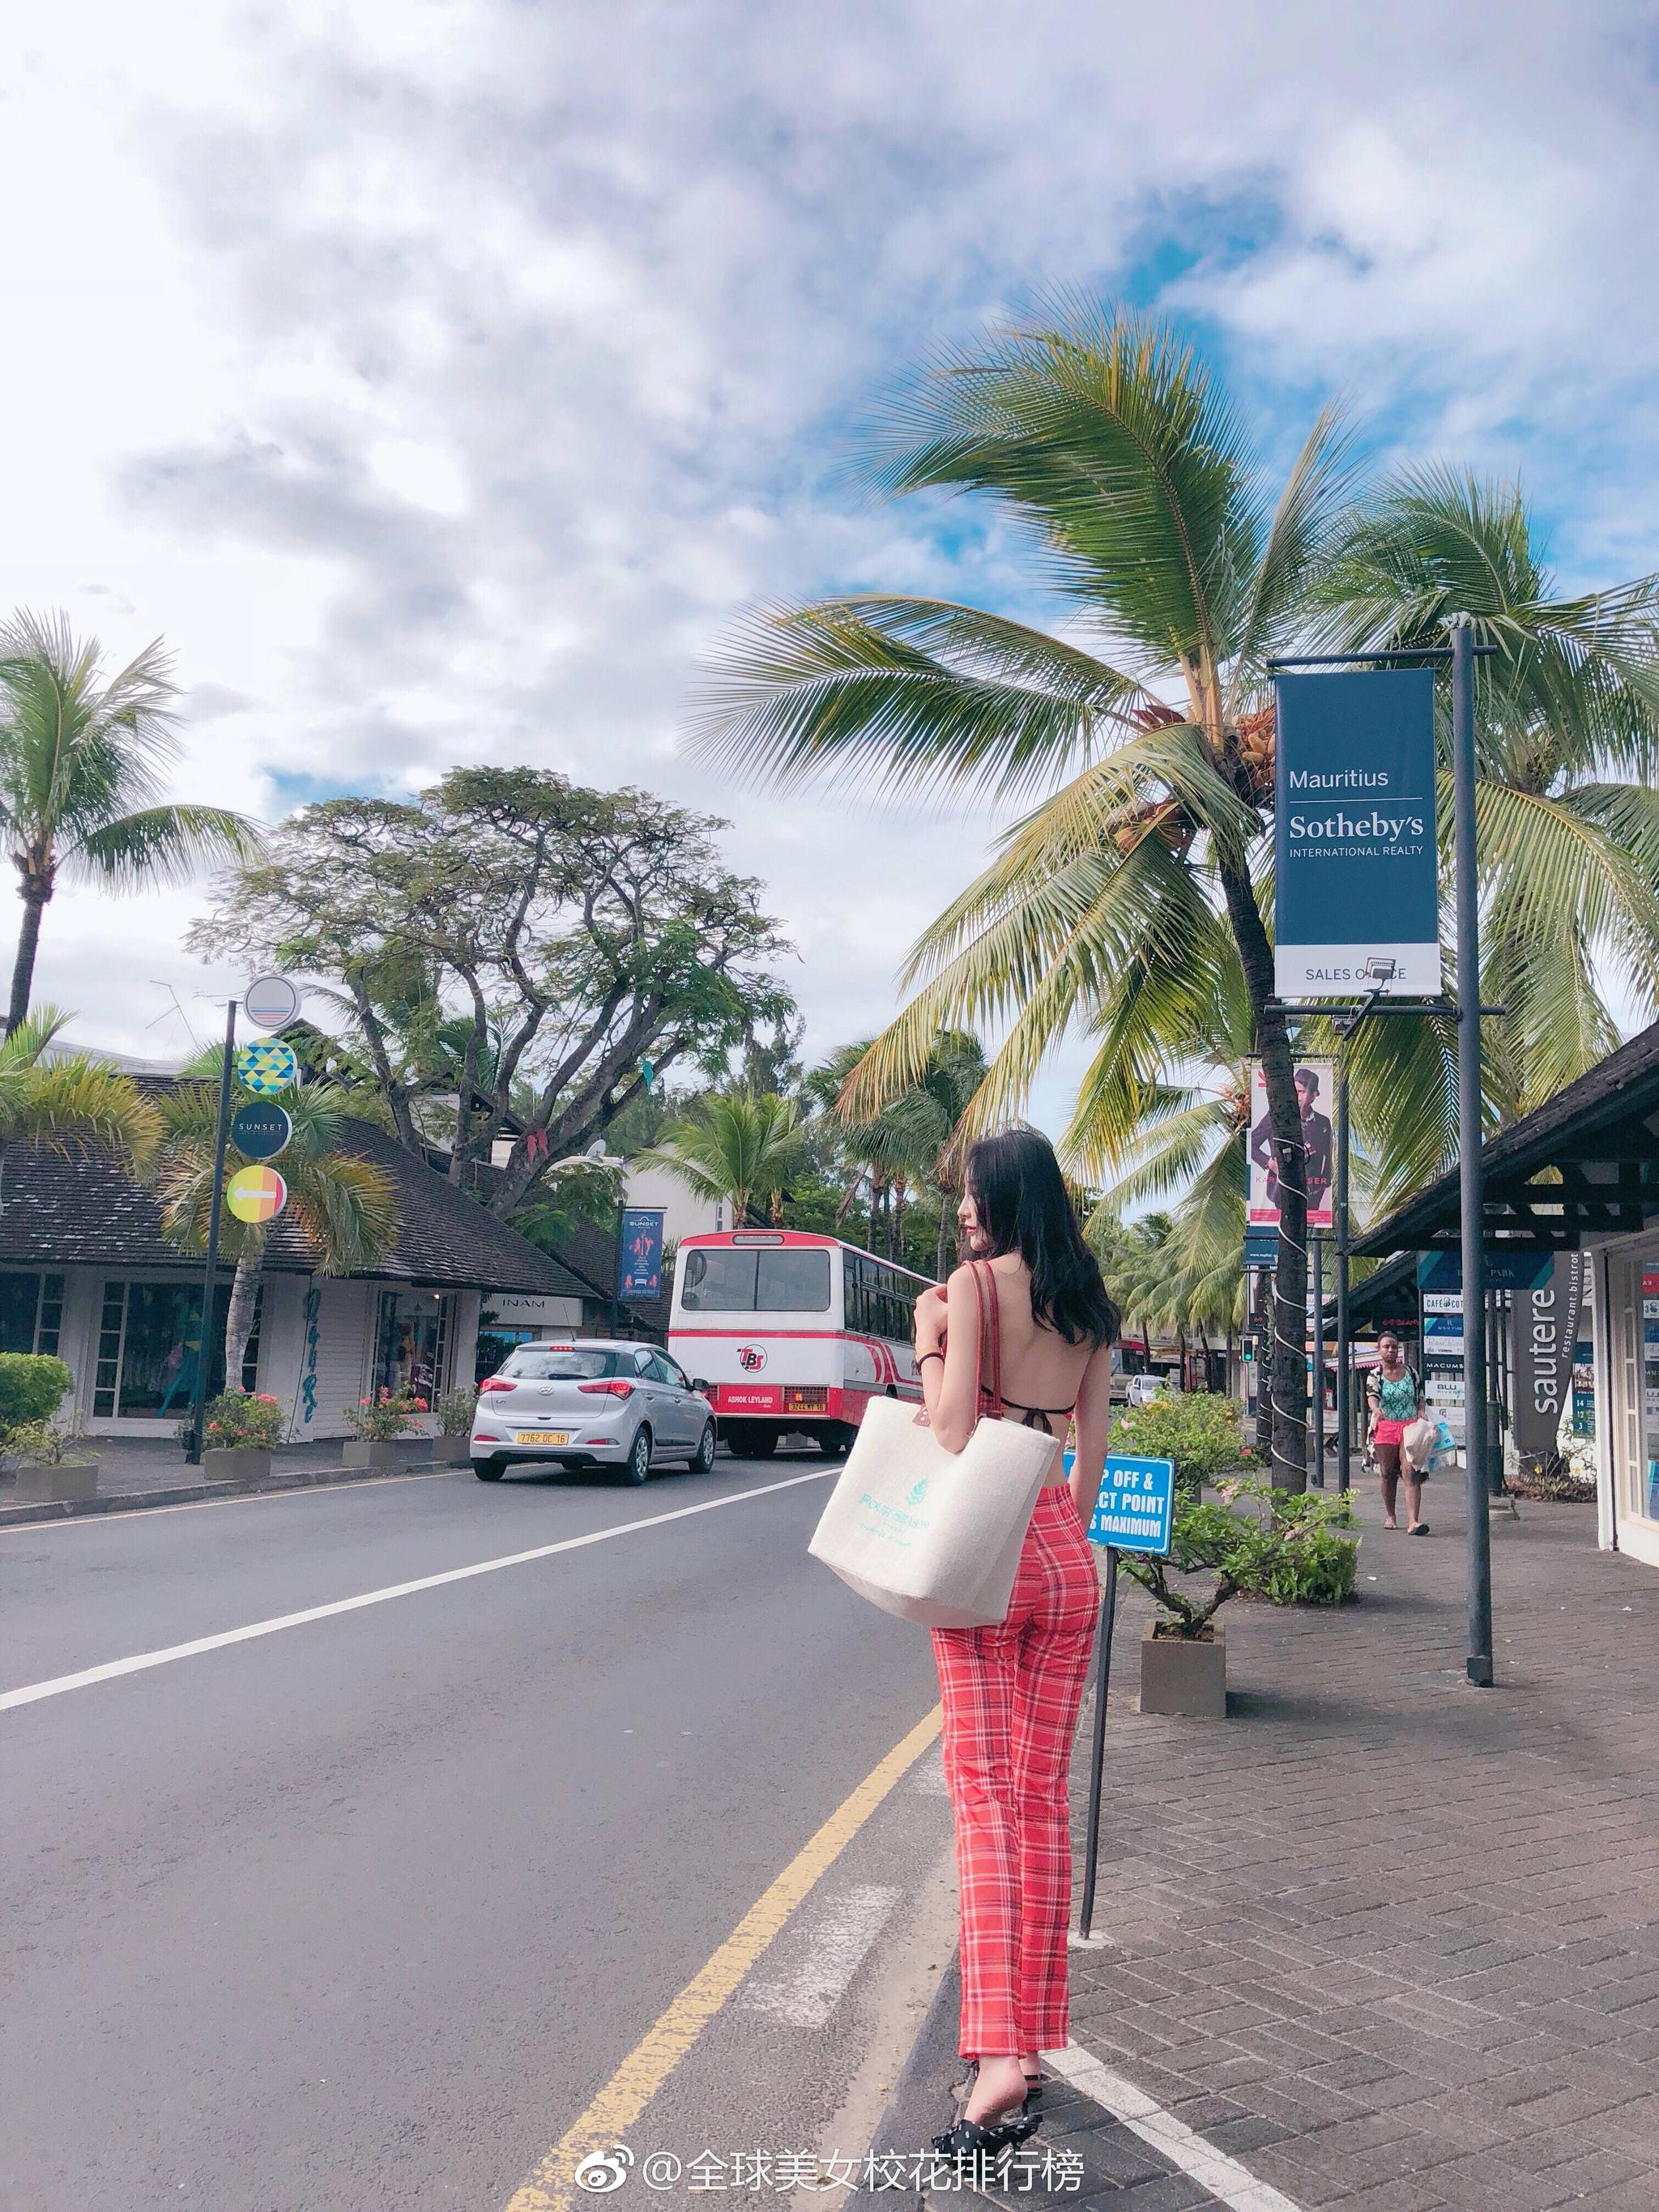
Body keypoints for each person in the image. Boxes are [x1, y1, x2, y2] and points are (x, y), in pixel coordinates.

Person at [911, 1128, 1119, 2159]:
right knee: (1036, 1798)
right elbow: (1089, 1457)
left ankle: (995, 2056)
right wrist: (1059, 1540)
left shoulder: (973, 1288)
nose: (961, 1210)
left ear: (1003, 1196)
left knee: (984, 1803)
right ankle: (1027, 2042)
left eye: (970, 1193)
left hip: (987, 1559)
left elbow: (948, 1433)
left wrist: (930, 1338)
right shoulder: (1088, 1301)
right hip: (1064, 1555)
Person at [1367, 1332, 1428, 1534]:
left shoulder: (1411, 1372)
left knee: (1410, 1471)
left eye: (1394, 1346)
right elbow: (1372, 1396)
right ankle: (1391, 1515)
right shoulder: (1375, 1374)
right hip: (1386, 1427)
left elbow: (1419, 1395)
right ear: (1379, 1350)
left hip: (1409, 1427)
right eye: (1386, 1346)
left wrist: (1421, 1410)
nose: (1391, 1350)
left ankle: (1413, 1522)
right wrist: (1375, 1409)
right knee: (1387, 1473)